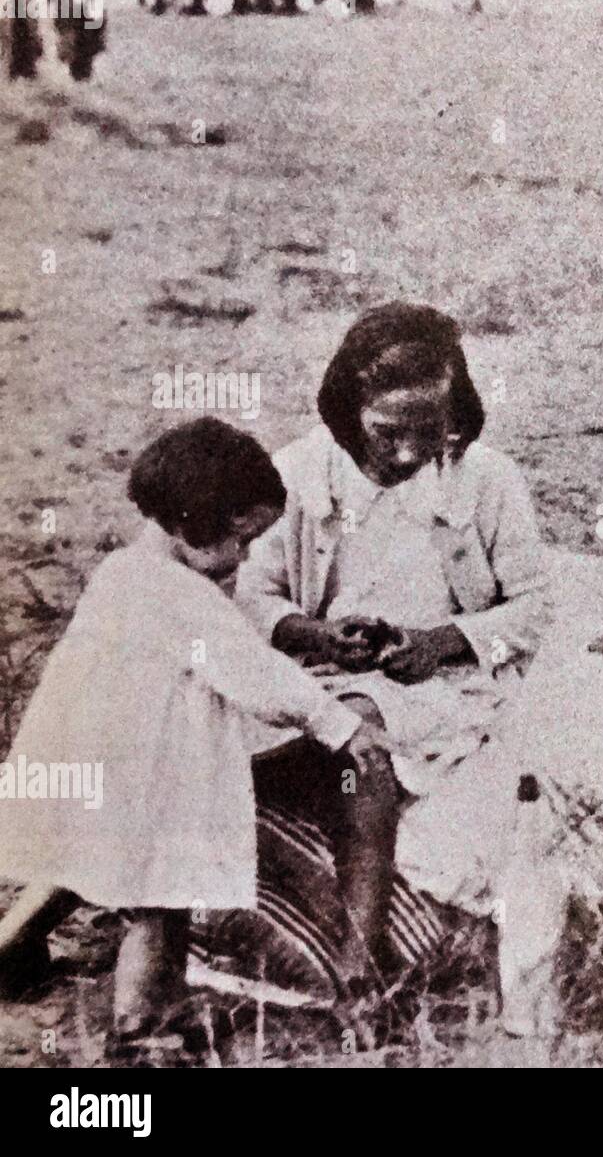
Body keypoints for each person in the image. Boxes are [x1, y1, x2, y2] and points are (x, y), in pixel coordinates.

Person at [234, 304, 603, 1033]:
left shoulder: (487, 481)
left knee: (424, 755)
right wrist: (316, 631)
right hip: (324, 672)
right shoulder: (298, 474)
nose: (409, 452)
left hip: (447, 684)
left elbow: (535, 604)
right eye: (387, 433)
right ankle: (337, 940)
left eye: (429, 430)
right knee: (311, 740)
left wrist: (441, 641)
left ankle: (367, 962)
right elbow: (251, 596)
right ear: (347, 411)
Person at [0, 420, 396, 1057]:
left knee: (90, 871)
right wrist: (336, 722)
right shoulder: (182, 594)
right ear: (191, 522)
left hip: (89, 759)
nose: (243, 558)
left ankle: (15, 952)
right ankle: (138, 1029)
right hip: (143, 777)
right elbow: (254, 675)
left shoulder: (126, 570)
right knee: (159, 903)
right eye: (240, 540)